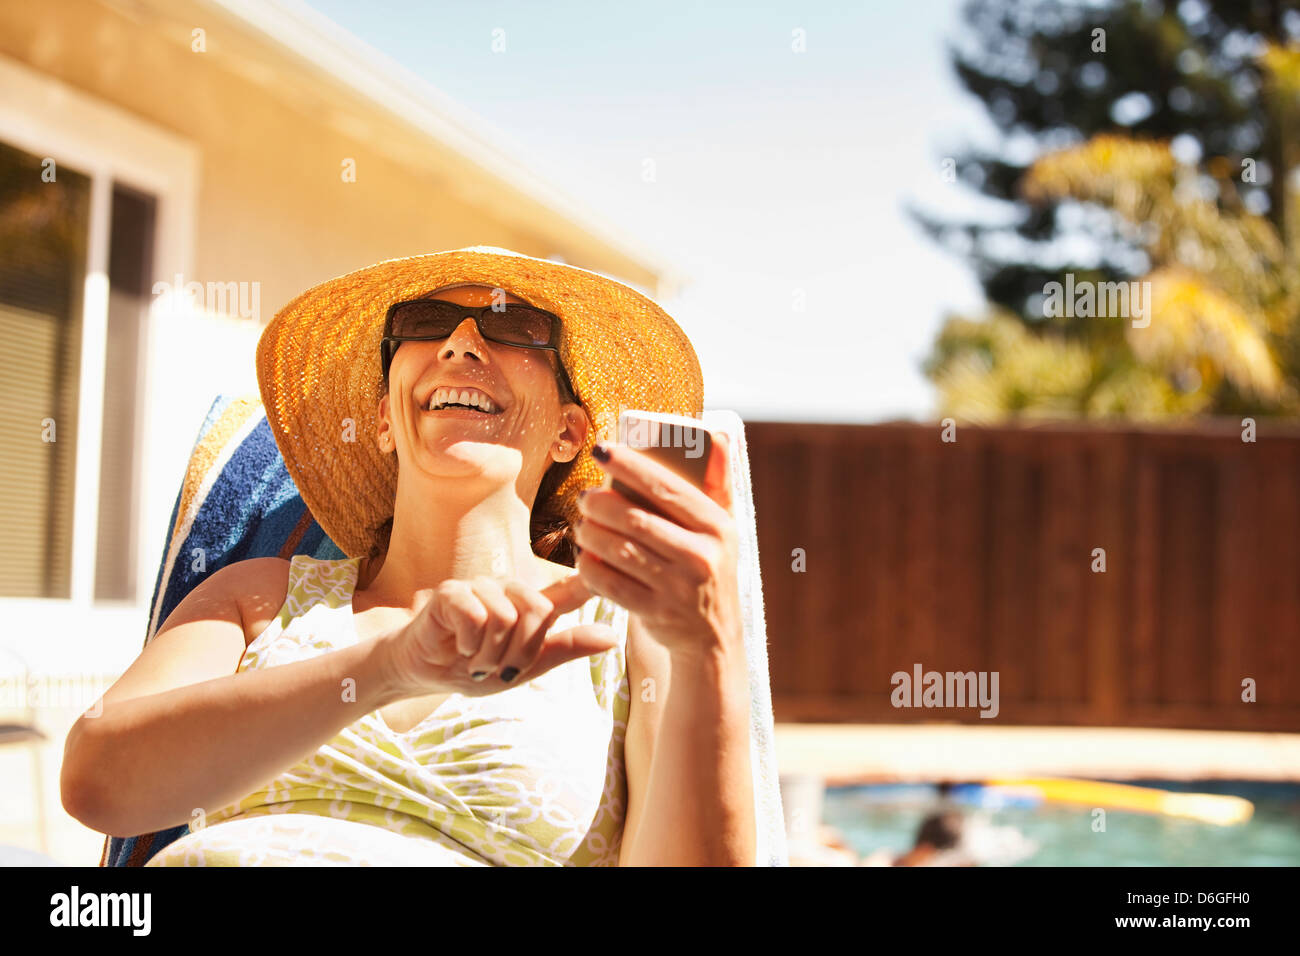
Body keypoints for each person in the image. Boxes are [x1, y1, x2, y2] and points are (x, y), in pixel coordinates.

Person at [61, 246, 755, 866]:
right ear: (386, 419)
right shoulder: (261, 596)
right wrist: (389, 666)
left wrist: (711, 650)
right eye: (422, 323)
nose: (458, 343)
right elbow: (98, 784)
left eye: (515, 327)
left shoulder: (630, 633)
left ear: (571, 432)